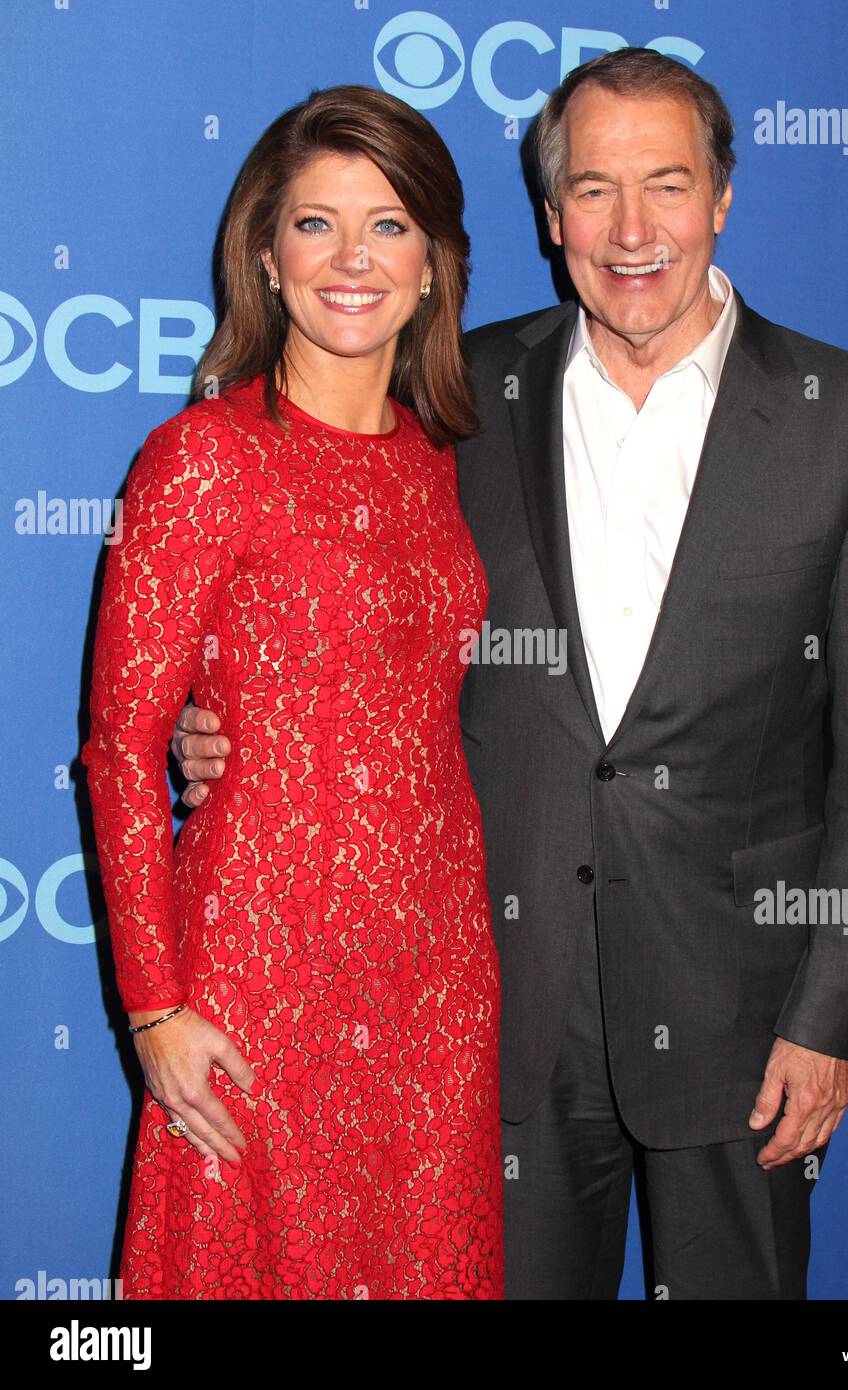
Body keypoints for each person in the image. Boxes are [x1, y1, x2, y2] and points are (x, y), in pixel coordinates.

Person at [172, 49, 848, 1300]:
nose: (630, 231)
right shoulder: (453, 395)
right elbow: (345, 610)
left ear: (723, 198)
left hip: (744, 1015)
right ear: (547, 214)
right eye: (592, 190)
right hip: (492, 1008)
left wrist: (829, 1016)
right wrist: (229, 723)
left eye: (666, 186)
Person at [81, 85, 502, 1300]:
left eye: (389, 225)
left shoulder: (436, 464)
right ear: (267, 258)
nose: (352, 259)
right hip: (257, 971)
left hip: (436, 981)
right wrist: (154, 1010)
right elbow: (121, 748)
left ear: (433, 265)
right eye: (316, 225)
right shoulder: (204, 458)